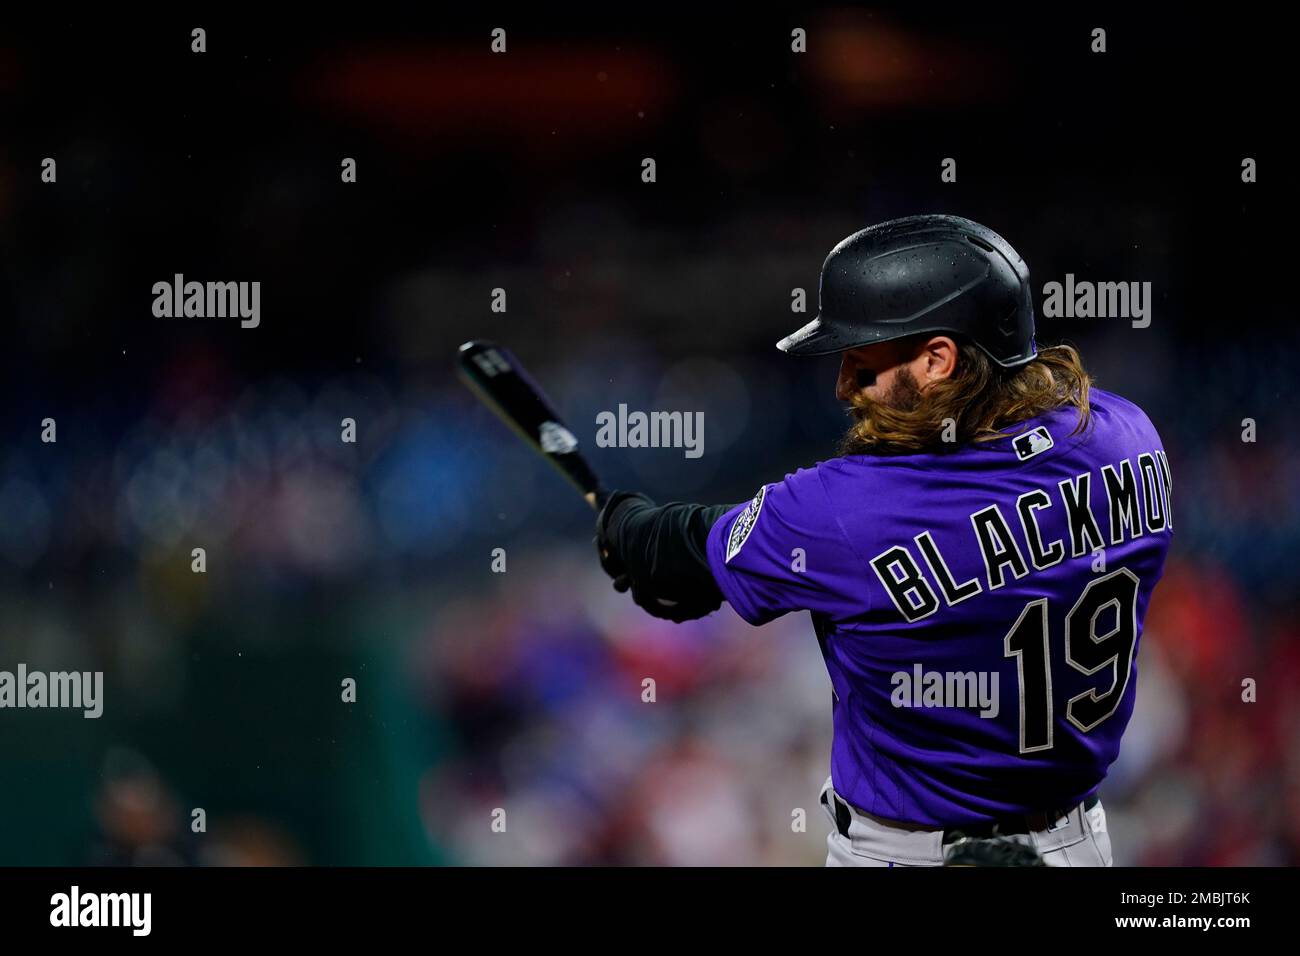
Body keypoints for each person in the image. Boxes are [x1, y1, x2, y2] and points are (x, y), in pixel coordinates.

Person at [595, 215, 1172, 866]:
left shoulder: (841, 509)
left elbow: (673, 557)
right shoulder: (1128, 439)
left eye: (863, 363)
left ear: (937, 360)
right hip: (1078, 844)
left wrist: (627, 527)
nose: (844, 387)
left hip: (907, 854)